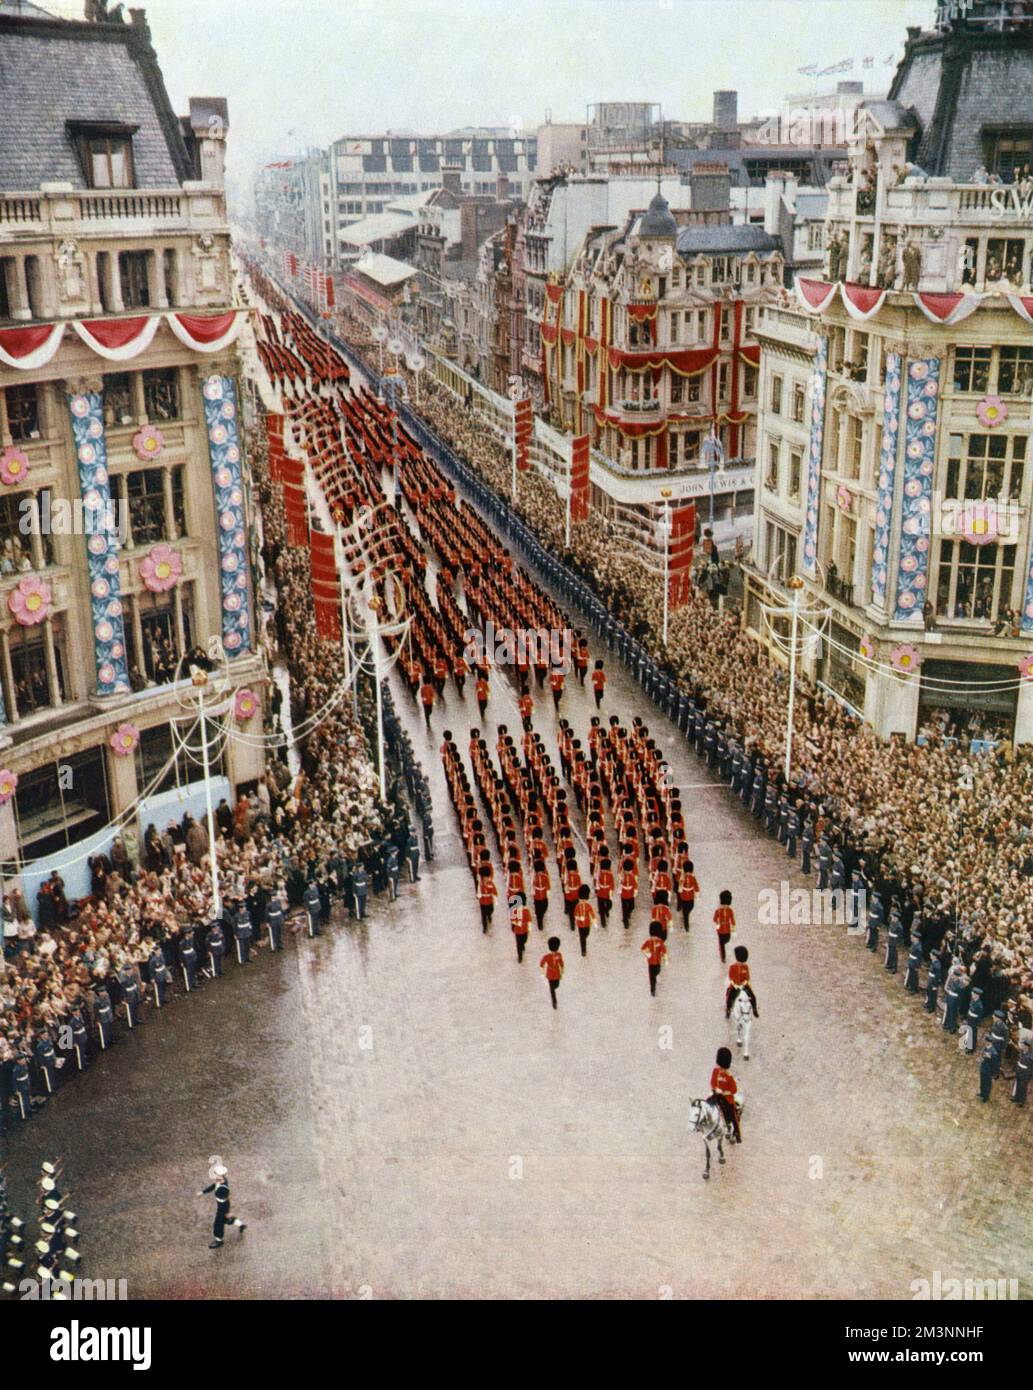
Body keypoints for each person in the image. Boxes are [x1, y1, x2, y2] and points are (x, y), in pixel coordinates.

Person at [198, 1164, 247, 1250]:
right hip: (222, 1205)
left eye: (216, 1173)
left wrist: (227, 1211)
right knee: (226, 1219)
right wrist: (203, 1192)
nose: (215, 1175)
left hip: (222, 1206)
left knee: (218, 1223)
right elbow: (213, 1186)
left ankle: (219, 1240)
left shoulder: (224, 1188)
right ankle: (241, 1225)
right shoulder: (220, 1180)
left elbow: (226, 1199)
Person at [709, 1046, 741, 1143]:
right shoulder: (715, 1071)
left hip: (727, 1098)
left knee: (732, 1114)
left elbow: (734, 1090)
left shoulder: (729, 1076)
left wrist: (723, 1092)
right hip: (716, 1095)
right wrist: (715, 1089)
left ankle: (736, 1133)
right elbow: (712, 1082)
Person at [725, 945, 759, 1018]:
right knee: (730, 998)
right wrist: (735, 985)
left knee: (752, 996)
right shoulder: (732, 967)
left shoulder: (746, 967)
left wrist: (743, 984)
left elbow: (747, 977)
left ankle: (754, 1009)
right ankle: (728, 1010)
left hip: (744, 985)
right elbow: (731, 977)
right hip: (735, 985)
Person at [539, 936, 564, 1009]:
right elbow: (542, 963)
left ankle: (554, 999)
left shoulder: (558, 955)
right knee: (552, 989)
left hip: (556, 973)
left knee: (556, 985)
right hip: (551, 973)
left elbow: (561, 963)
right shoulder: (548, 956)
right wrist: (542, 972)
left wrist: (562, 970)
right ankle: (554, 1002)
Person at [641, 927, 667, 996]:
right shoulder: (649, 941)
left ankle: (653, 984)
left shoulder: (659, 941)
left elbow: (664, 951)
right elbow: (642, 948)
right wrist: (647, 954)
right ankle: (652, 990)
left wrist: (665, 958)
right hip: (651, 962)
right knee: (651, 976)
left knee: (656, 972)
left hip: (657, 961)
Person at [573, 883, 596, 958]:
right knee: (582, 938)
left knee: (586, 934)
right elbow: (575, 915)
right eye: (582, 899)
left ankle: (584, 940)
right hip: (580, 924)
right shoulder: (577, 906)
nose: (583, 901)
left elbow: (591, 913)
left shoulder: (588, 906)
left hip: (587, 923)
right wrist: (579, 918)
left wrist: (594, 921)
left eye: (584, 899)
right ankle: (583, 950)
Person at [713, 888, 735, 963]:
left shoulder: (730, 910)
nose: (726, 906)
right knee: (722, 943)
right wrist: (718, 921)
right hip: (720, 929)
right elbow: (714, 918)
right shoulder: (718, 911)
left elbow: (732, 919)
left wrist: (733, 926)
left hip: (727, 928)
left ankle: (722, 948)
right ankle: (723, 957)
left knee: (727, 939)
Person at [510, 893, 531, 962]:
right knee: (518, 944)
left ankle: (522, 945)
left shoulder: (526, 910)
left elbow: (529, 920)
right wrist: (517, 923)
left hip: (525, 929)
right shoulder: (514, 911)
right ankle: (520, 956)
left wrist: (529, 928)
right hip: (518, 930)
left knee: (524, 940)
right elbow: (512, 920)